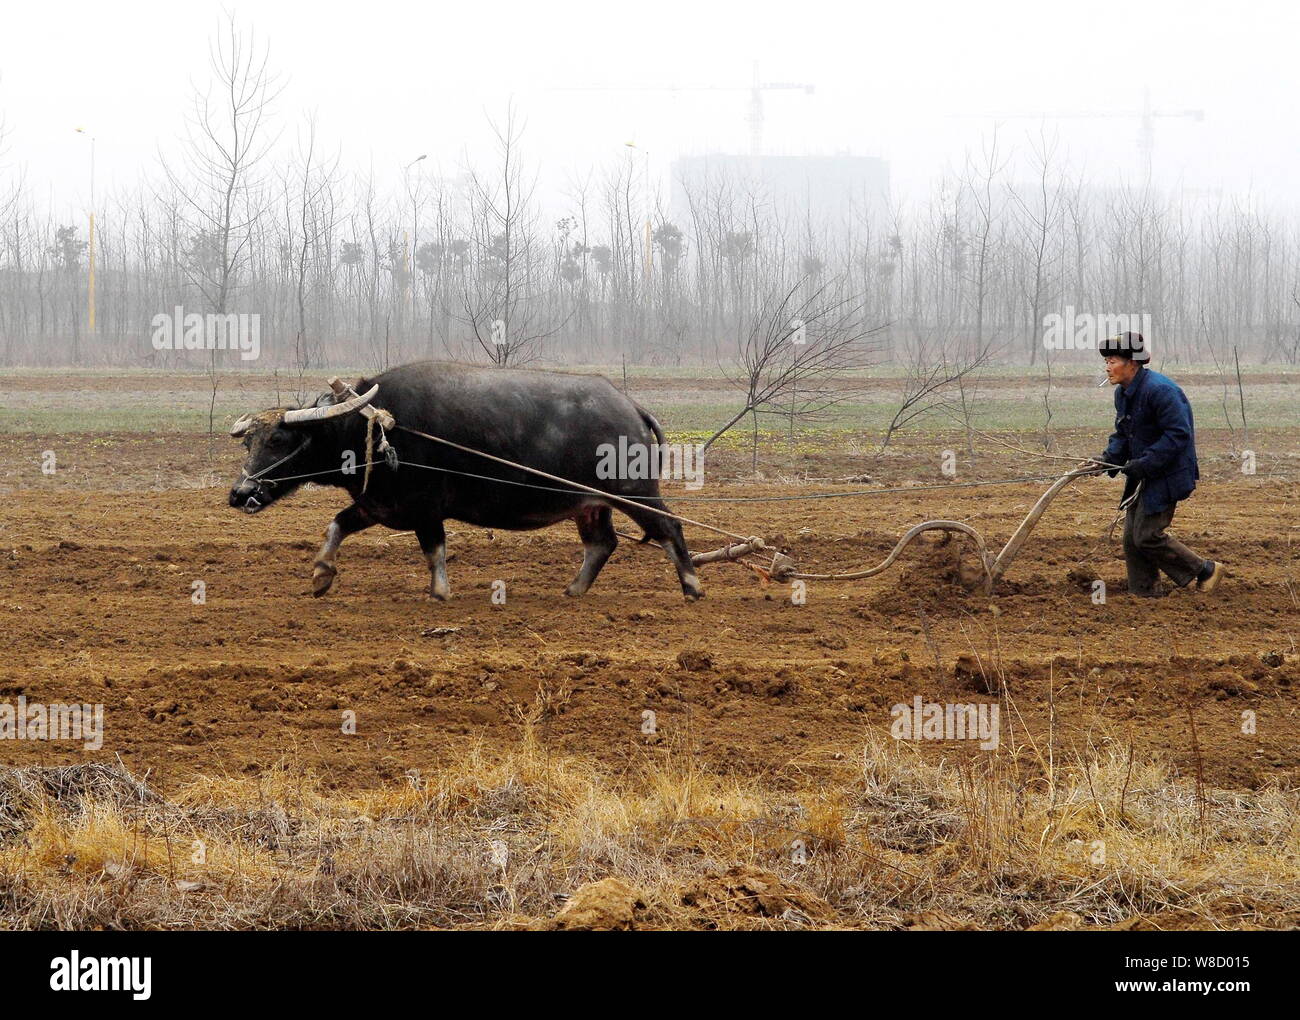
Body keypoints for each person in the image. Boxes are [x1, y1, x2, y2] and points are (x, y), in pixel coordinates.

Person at [1087, 332, 1224, 597]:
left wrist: (1145, 463)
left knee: (1147, 536)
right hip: (1144, 472)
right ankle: (1145, 594)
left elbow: (1178, 434)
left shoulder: (1161, 391)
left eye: (1112, 360)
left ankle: (1205, 570)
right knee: (1132, 540)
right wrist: (1107, 459)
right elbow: (1124, 435)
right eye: (1106, 361)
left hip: (1167, 472)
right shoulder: (1124, 394)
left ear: (1132, 363)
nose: (1107, 366)